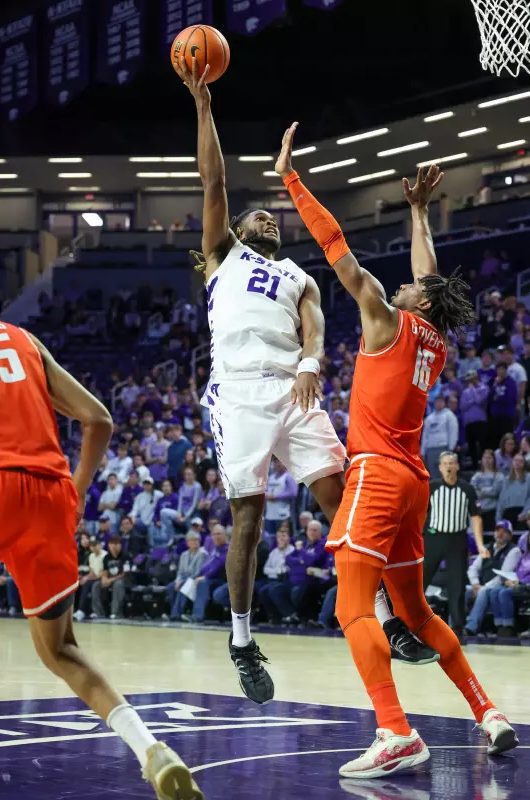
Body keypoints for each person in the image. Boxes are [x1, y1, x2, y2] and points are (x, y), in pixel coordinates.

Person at [174, 58, 425, 704]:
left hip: (294, 386)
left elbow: (314, 329)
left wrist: (313, 363)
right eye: (259, 217)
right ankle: (241, 640)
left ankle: (387, 617)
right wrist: (203, 105)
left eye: (272, 219)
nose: (268, 221)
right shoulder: (222, 256)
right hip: (238, 393)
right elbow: (213, 179)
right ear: (238, 231)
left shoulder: (298, 276)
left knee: (340, 502)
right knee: (249, 518)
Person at [276, 125, 517, 777]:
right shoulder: (433, 339)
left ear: (416, 302)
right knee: (413, 611)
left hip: (378, 475)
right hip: (413, 483)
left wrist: (291, 180)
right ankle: (488, 711)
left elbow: (336, 248)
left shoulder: (384, 319)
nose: (405, 283)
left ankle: (395, 731)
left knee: (353, 606)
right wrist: (417, 213)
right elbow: (428, 274)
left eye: (412, 286)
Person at [0, 320, 202, 798]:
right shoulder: (24, 340)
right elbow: (99, 420)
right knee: (62, 650)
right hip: (48, 494)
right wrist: (77, 491)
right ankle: (151, 749)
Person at [422, 451, 485, 638]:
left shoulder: (467, 489)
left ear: (457, 466)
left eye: (452, 463)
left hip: (457, 540)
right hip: (434, 538)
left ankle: (457, 627)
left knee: (457, 583)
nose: (449, 466)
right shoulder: (432, 487)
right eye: (445, 463)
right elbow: (420, 513)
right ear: (440, 468)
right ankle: (411, 622)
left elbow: (476, 517)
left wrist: (480, 544)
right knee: (421, 580)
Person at [464, 520, 520, 637]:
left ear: (510, 536)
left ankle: (471, 628)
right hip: (480, 586)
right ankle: (454, 625)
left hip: (499, 586)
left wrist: (482, 587)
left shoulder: (514, 550)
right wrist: (475, 584)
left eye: (504, 532)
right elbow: (473, 568)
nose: (500, 534)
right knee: (463, 590)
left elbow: (503, 575)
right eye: (497, 530)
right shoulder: (487, 548)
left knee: (484, 591)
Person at [91, 535, 130, 620]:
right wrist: (104, 578)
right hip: (110, 580)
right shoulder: (106, 557)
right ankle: (98, 612)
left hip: (124, 580)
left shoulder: (125, 556)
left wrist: (110, 580)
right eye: (111, 544)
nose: (113, 546)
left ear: (120, 545)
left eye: (116, 544)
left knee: (118, 584)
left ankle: (116, 613)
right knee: (96, 585)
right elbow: (105, 571)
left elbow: (125, 573)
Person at [421, 395, 458, 478]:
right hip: (431, 449)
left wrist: (451, 449)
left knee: (445, 474)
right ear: (434, 403)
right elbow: (425, 436)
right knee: (433, 474)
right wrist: (423, 453)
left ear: (444, 403)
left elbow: (453, 432)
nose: (439, 404)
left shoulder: (449, 415)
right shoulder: (429, 418)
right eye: (437, 402)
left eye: (441, 401)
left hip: (444, 448)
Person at [460, 370, 489, 469]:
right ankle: (474, 465)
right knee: (471, 445)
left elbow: (479, 400)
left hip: (480, 421)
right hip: (468, 422)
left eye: (472, 379)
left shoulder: (484, 388)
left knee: (482, 444)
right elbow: (462, 406)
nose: (471, 381)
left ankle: (485, 465)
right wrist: (472, 402)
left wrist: (472, 390)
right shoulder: (465, 391)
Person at [471, 450, 505, 532]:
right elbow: (472, 492)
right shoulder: (476, 476)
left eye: (489, 458)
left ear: (494, 460)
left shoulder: (499, 476)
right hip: (479, 511)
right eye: (485, 458)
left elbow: (495, 492)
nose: (487, 460)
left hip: (493, 510)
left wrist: (481, 490)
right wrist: (489, 490)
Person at [496, 453, 530, 530]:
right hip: (508, 513)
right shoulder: (506, 480)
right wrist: (498, 519)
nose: (518, 463)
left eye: (520, 461)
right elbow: (501, 500)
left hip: (522, 513)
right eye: (515, 460)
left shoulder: (529, 478)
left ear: (524, 464)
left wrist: (525, 513)